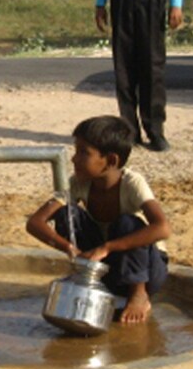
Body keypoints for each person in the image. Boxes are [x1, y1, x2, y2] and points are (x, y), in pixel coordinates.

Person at [26, 116, 171, 323]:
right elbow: (35, 223)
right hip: (106, 269)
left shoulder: (132, 184)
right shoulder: (77, 183)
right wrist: (70, 248)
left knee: (128, 224)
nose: (74, 159)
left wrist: (108, 248)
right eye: (76, 151)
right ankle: (86, 280)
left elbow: (162, 228)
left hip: (146, 272)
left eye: (83, 152)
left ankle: (138, 295)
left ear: (110, 161)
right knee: (67, 213)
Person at [95, 0, 184, 152]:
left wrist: (176, 3)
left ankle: (155, 131)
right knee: (124, 65)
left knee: (152, 64)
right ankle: (129, 132)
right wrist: (100, 2)